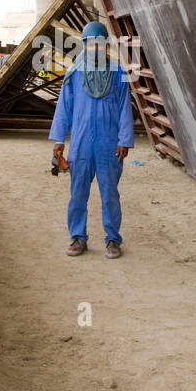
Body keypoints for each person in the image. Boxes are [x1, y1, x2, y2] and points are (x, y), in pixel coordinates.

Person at [49, 20, 134, 258]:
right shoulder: (74, 73)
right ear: (85, 45)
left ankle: (113, 240)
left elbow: (124, 107)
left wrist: (124, 140)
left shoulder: (118, 73)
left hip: (109, 145)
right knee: (78, 193)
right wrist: (58, 140)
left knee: (110, 195)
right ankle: (78, 237)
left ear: (105, 46)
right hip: (80, 143)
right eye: (90, 44)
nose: (95, 49)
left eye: (99, 44)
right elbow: (64, 108)